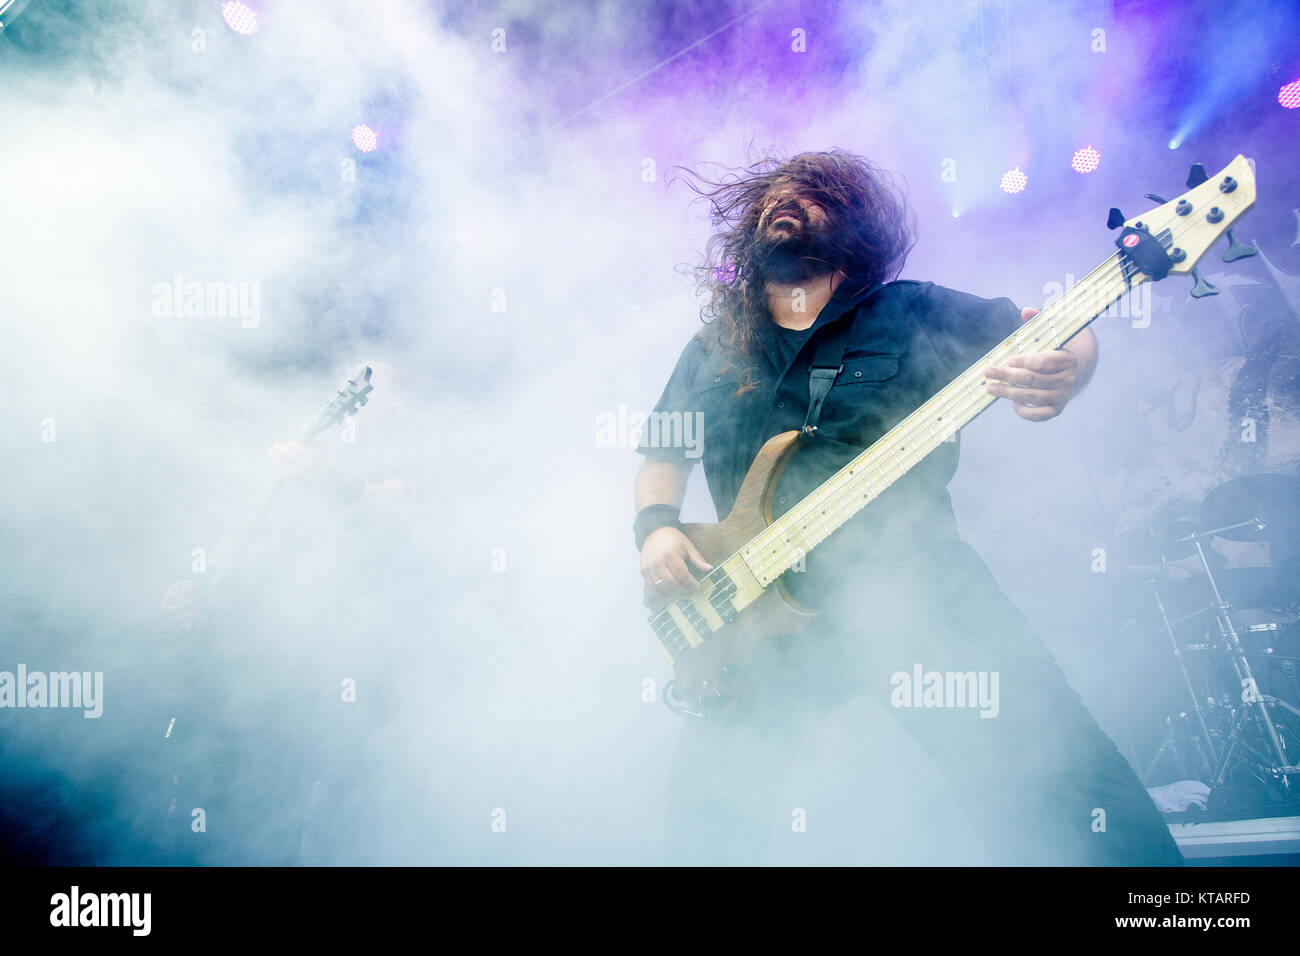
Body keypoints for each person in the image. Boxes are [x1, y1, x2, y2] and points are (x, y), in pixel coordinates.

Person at [633, 149, 1183, 865]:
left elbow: (1055, 327)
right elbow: (662, 456)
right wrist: (654, 533)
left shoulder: (912, 311)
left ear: (854, 226)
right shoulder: (714, 347)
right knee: (708, 832)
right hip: (749, 624)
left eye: (814, 192)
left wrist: (1068, 371)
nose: (787, 200)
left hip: (920, 599)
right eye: (776, 193)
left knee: (1068, 788)